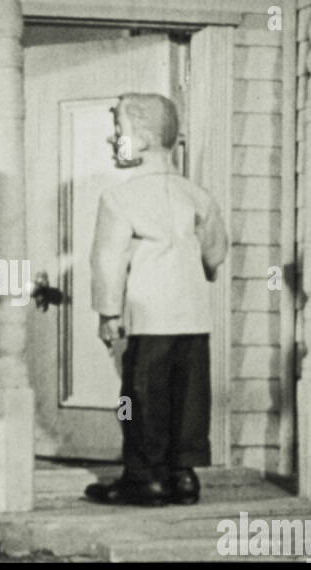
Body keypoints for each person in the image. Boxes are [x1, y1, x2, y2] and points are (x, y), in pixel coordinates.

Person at [85, 93, 229, 506]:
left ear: (143, 140)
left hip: (150, 320)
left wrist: (108, 311)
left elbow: (107, 260)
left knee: (137, 398)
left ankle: (143, 475)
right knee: (188, 396)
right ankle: (183, 474)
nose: (114, 141)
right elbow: (215, 251)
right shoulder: (197, 196)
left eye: (119, 133)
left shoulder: (119, 199)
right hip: (194, 318)